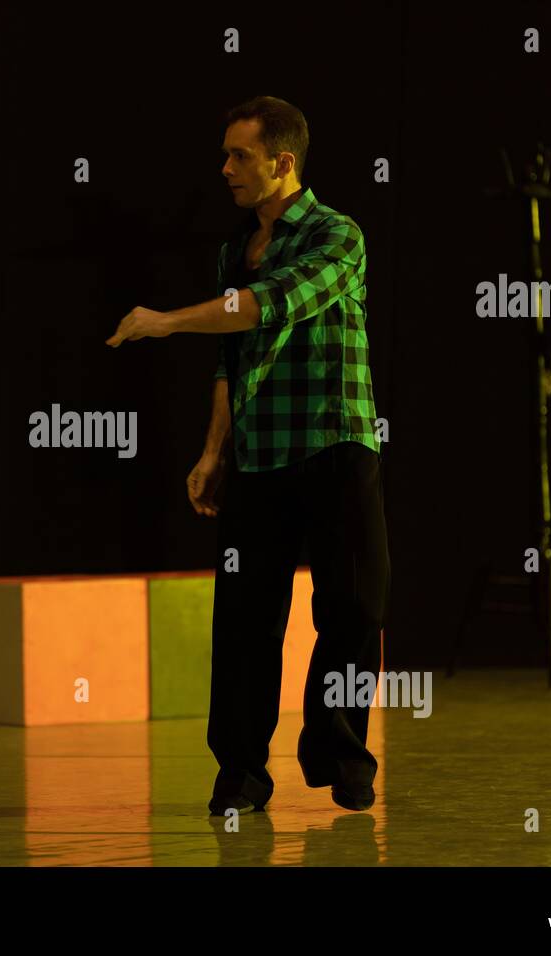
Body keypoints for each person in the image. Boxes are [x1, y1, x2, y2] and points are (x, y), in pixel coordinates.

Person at [107, 96, 390, 814]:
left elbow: (270, 306)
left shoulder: (337, 234)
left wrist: (167, 321)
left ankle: (338, 748)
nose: (225, 168)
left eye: (239, 155)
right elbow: (232, 360)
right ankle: (240, 772)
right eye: (226, 154)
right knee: (244, 621)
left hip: (333, 444)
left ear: (281, 162)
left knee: (354, 606)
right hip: (260, 457)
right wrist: (213, 452)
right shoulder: (236, 247)